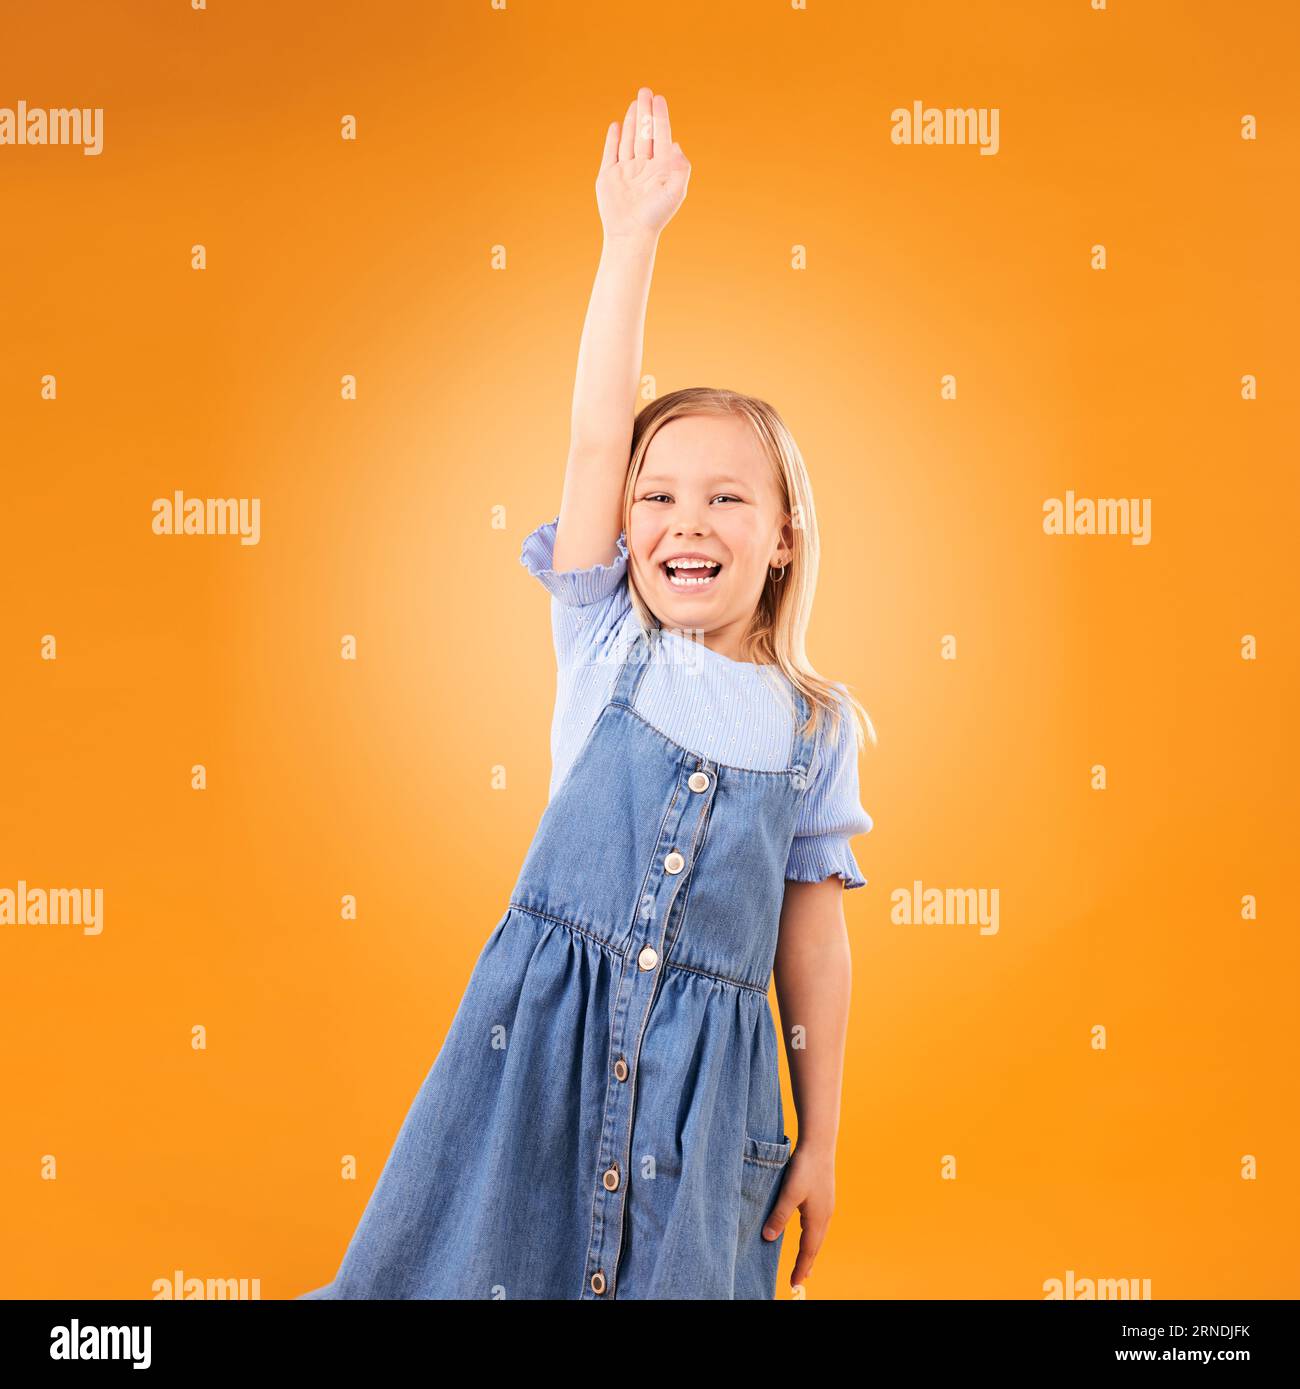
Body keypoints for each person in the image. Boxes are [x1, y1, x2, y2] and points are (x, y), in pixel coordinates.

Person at [300, 86, 875, 1301]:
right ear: (621, 525)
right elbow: (589, 440)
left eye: (727, 499)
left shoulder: (814, 726)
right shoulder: (604, 635)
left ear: (781, 539)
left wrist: (820, 1138)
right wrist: (630, 241)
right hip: (536, 1059)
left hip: (708, 1096)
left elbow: (812, 940)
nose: (684, 521)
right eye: (656, 495)